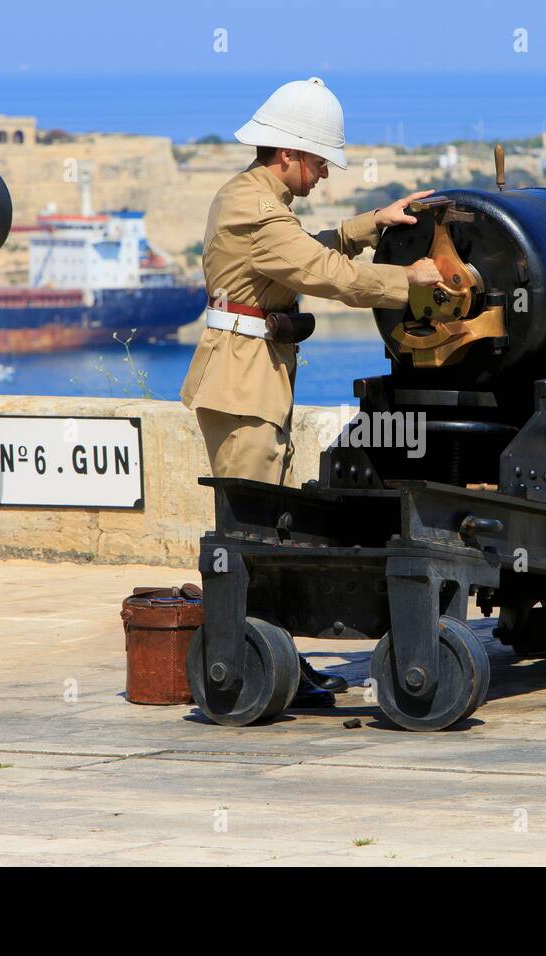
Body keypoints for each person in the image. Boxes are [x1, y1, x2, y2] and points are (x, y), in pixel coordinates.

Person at [180, 77, 442, 708]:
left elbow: (305, 251)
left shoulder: (259, 200)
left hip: (254, 375)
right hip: (243, 383)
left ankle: (272, 656)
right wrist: (408, 282)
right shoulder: (255, 207)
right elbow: (321, 273)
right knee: (250, 535)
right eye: (321, 161)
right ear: (289, 153)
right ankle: (246, 662)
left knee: (265, 531)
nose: (325, 173)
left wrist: (366, 226)